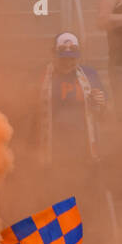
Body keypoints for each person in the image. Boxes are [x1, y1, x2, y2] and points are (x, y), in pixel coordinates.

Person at [39, 31, 107, 161]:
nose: (68, 62)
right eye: (63, 58)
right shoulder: (41, 76)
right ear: (53, 54)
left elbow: (104, 116)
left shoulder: (90, 74)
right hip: (52, 147)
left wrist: (100, 104)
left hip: (83, 147)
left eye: (72, 58)